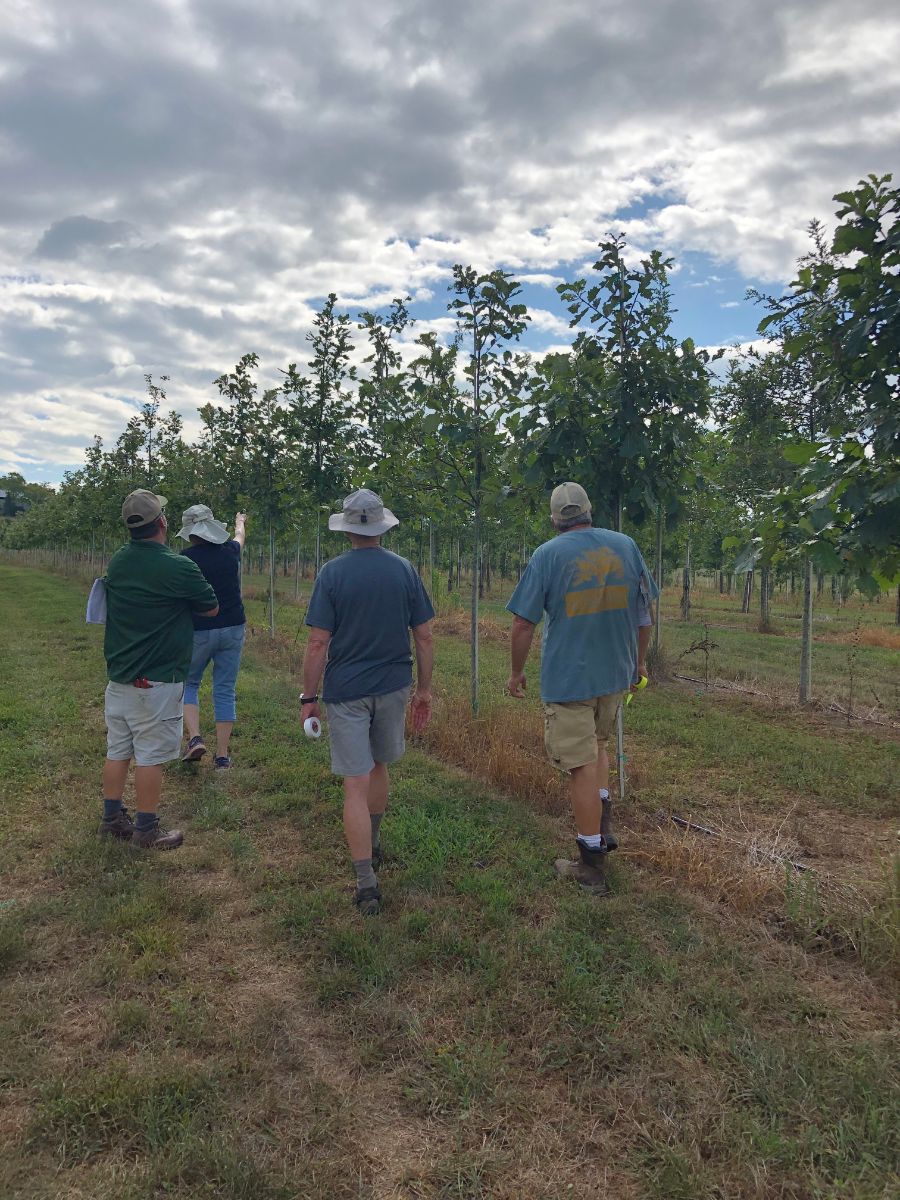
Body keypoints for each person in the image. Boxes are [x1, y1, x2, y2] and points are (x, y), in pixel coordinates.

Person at [506, 482, 656, 895]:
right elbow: (644, 616)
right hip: (615, 673)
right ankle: (603, 826)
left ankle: (591, 864)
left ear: (554, 518)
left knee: (580, 765)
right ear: (590, 511)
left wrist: (516, 672)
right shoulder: (625, 546)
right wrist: (637, 664)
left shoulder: (548, 555)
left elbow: (523, 623)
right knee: (599, 746)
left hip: (570, 678)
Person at [300, 489, 435, 916]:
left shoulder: (332, 574)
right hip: (393, 685)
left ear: (347, 530)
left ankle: (365, 881)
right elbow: (425, 634)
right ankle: (373, 844)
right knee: (379, 767)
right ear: (381, 527)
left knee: (354, 783)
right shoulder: (405, 571)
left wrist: (308, 698)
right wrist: (424, 690)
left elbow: (319, 640)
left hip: (347, 690)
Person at [98, 490, 219, 850]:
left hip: (120, 677)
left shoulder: (119, 561)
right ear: (162, 522)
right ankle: (146, 830)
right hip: (157, 679)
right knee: (150, 756)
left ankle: (111, 818)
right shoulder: (178, 566)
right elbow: (210, 607)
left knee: (117, 749)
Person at [177, 505, 248, 769]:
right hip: (233, 627)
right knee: (225, 689)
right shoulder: (230, 552)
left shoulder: (185, 560)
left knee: (189, 683)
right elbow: (240, 537)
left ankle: (195, 738)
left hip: (200, 629)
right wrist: (239, 521)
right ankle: (222, 756)